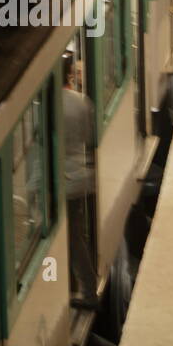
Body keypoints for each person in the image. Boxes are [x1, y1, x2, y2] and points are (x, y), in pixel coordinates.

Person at [63, 50, 97, 311]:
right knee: (75, 236)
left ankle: (87, 292)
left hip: (56, 182)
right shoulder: (82, 100)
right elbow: (89, 136)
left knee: (70, 238)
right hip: (80, 177)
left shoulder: (44, 104)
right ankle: (84, 288)